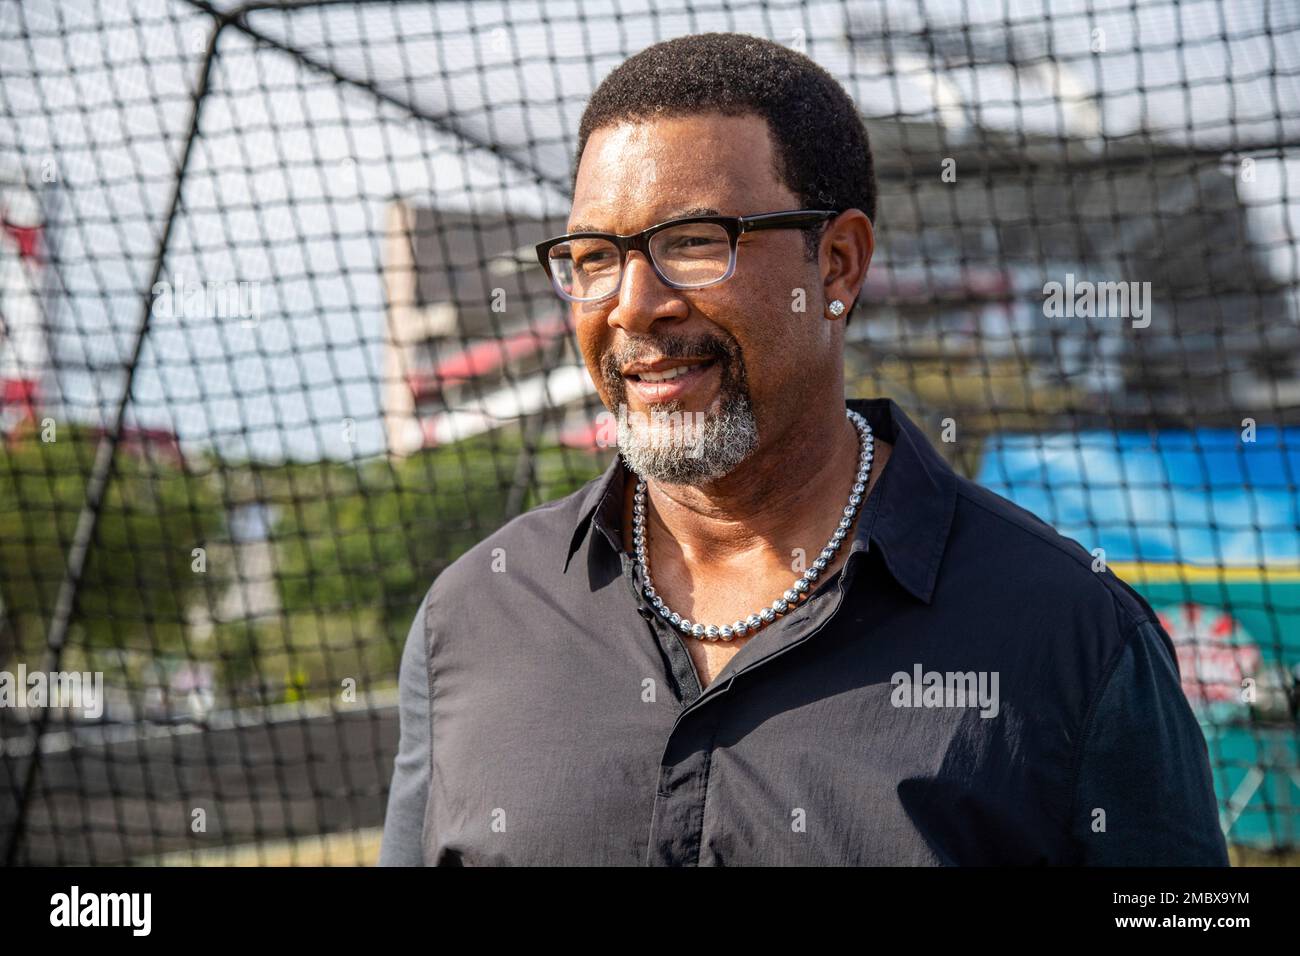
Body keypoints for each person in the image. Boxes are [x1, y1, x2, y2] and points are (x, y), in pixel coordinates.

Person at [379, 31, 1228, 866]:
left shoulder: (1072, 634)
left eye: (694, 243)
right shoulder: (473, 619)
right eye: (595, 257)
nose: (634, 307)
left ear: (838, 265)